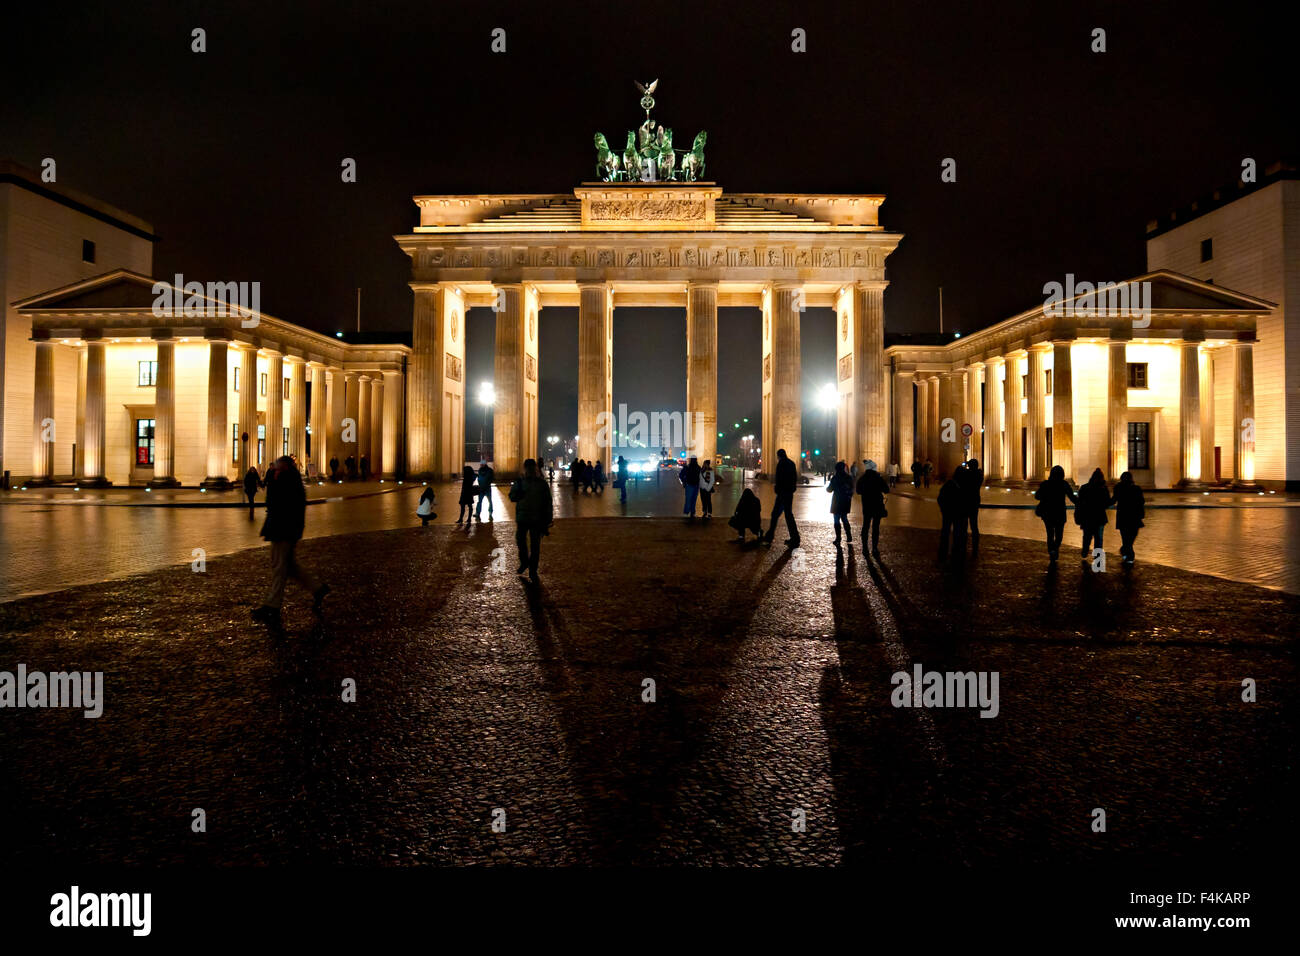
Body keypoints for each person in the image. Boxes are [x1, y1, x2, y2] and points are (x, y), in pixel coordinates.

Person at [251, 456, 330, 626]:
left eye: (278, 468)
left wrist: (274, 481)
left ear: (285, 468)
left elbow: (280, 506)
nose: (275, 470)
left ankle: (272, 605)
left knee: (279, 567)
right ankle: (317, 588)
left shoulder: (288, 484)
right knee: (289, 566)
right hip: (282, 530)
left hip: (284, 531)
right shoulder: (287, 481)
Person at [509, 458, 553, 584]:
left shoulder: (541, 484)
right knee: (522, 542)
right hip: (524, 518)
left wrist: (548, 519)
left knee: (534, 545)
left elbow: (548, 502)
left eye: (531, 468)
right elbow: (512, 497)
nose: (529, 470)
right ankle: (525, 563)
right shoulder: (521, 482)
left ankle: (532, 569)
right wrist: (517, 494)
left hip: (535, 519)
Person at [1033, 465, 1077, 563]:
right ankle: (1055, 549)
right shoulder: (1064, 484)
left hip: (1047, 513)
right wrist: (1082, 503)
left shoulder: (1046, 484)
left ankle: (1051, 550)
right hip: (1059, 512)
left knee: (1050, 533)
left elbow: (1037, 496)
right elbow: (1072, 497)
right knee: (1059, 535)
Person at [762, 448, 800, 548]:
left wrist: (777, 489)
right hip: (789, 493)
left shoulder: (781, 464)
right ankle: (795, 537)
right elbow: (794, 477)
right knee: (788, 515)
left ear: (778, 456)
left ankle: (770, 536)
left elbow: (779, 479)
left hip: (782, 493)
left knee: (775, 514)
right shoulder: (791, 463)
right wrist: (792, 488)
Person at [1074, 468, 1111, 565]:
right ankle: (1098, 558)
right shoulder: (1103, 488)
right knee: (1099, 538)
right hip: (1100, 517)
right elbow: (1107, 502)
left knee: (1087, 536)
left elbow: (1079, 502)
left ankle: (1085, 552)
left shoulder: (1085, 487)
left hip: (1087, 517)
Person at [856, 459, 889, 557]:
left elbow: (858, 491)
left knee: (865, 526)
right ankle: (874, 548)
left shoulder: (862, 478)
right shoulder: (878, 478)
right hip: (877, 505)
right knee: (875, 527)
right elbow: (887, 490)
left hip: (866, 505)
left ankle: (865, 548)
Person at [1112, 471, 1145, 566]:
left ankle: (1126, 553)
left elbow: (1113, 500)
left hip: (1123, 516)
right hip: (1134, 517)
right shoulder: (1136, 489)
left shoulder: (1118, 488)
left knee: (1126, 538)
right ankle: (1128, 554)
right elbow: (1142, 501)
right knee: (1130, 538)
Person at [937, 467, 967, 560]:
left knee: (947, 532)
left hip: (950, 513)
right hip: (953, 513)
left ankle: (946, 551)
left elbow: (940, 498)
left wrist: (944, 509)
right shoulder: (960, 485)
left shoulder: (951, 484)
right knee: (954, 532)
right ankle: (953, 551)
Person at [826, 460, 854, 547]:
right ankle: (849, 536)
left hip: (836, 501)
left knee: (836, 520)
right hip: (845, 500)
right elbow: (852, 489)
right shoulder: (848, 478)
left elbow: (829, 490)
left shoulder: (835, 478)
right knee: (844, 518)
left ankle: (838, 538)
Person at [958, 457, 984, 549]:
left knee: (964, 525)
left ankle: (962, 545)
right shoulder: (979, 475)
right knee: (974, 525)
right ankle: (975, 546)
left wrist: (963, 468)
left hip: (966, 502)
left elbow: (960, 480)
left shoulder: (968, 474)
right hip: (975, 501)